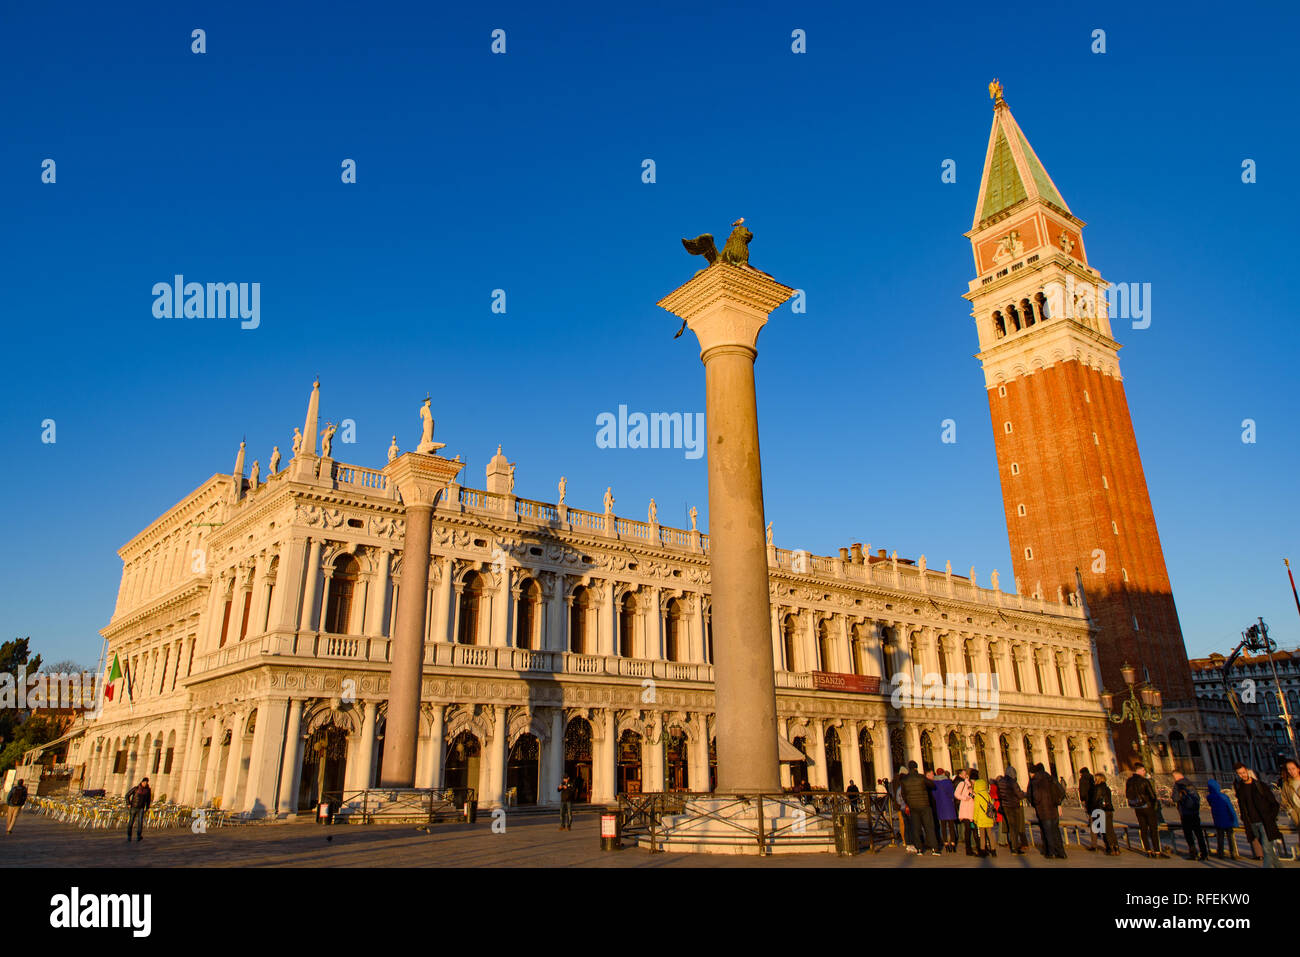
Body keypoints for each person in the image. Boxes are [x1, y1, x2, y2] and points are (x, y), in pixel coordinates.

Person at [1233, 763, 1283, 867]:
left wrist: (1271, 817)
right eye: (1239, 774)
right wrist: (1244, 818)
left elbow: (1274, 804)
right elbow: (1242, 807)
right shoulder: (1240, 788)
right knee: (1268, 850)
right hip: (1252, 823)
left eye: (1243, 772)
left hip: (1265, 822)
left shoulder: (1261, 786)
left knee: (1266, 848)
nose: (1242, 775)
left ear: (1247, 771)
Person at [1125, 763, 1165, 858]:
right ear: (1139, 771)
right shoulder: (1144, 781)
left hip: (1137, 807)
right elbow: (1152, 795)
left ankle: (1148, 850)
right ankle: (1157, 851)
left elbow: (1127, 794)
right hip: (1147, 806)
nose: (1144, 772)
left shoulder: (1129, 781)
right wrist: (1153, 802)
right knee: (1153, 829)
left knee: (1143, 828)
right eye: (1143, 770)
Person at [900, 760, 940, 855]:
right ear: (916, 767)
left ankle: (919, 849)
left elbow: (903, 794)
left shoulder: (904, 780)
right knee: (929, 827)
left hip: (913, 806)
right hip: (925, 805)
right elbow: (932, 785)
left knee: (916, 828)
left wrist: (908, 802)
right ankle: (934, 848)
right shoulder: (921, 777)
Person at [1028, 763, 1066, 858]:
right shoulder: (1051, 778)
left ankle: (1051, 852)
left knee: (1047, 831)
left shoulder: (1036, 781)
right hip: (1054, 809)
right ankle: (1061, 852)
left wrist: (1035, 803)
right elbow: (1062, 791)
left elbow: (1034, 797)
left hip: (1043, 810)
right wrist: (1057, 802)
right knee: (1056, 831)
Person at [1170, 771, 1208, 861]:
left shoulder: (1178, 785)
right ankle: (1204, 853)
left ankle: (1193, 853)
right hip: (1194, 813)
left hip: (1185, 813)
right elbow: (1197, 798)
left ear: (1176, 776)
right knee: (1199, 834)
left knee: (1189, 835)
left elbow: (1175, 798)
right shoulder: (1190, 784)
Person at [995, 765, 1027, 854]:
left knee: (1011, 826)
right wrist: (1025, 794)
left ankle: (1014, 846)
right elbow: (1019, 794)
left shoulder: (1001, 782)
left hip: (1005, 806)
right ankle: (1015, 847)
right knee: (1015, 828)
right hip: (1013, 806)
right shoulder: (1012, 782)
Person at [1205, 778, 1239, 860]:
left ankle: (1220, 853)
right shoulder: (1224, 796)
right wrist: (1235, 820)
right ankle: (1233, 853)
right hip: (1227, 819)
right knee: (1230, 837)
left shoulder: (1209, 797)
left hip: (1218, 820)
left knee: (1220, 837)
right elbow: (1230, 808)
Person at [1091, 772, 1119, 855]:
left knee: (1105, 830)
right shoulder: (1107, 788)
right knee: (1111, 830)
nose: (1094, 780)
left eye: (1095, 779)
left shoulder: (1097, 788)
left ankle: (1110, 848)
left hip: (1100, 810)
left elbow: (1095, 801)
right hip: (1109, 810)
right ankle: (1116, 847)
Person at [933, 768, 958, 852]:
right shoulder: (947, 782)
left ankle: (946, 843)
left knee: (943, 826)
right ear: (943, 773)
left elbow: (934, 795)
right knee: (951, 826)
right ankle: (953, 843)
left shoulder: (934, 783)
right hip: (949, 805)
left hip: (940, 806)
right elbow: (951, 793)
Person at [972, 771, 997, 856]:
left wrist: (974, 818)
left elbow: (976, 809)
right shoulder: (987, 794)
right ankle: (993, 850)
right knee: (990, 834)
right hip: (989, 817)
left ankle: (982, 851)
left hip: (981, 818)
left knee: (982, 835)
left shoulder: (978, 796)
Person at [1281, 758, 1300, 859]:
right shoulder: (1287, 784)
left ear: (1298, 769)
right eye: (1289, 769)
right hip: (1297, 814)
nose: (1291, 771)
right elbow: (1284, 801)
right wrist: (1290, 810)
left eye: (1293, 768)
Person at [954, 768, 976, 855]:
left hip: (972, 809)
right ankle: (968, 849)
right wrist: (965, 798)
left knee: (973, 829)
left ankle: (975, 847)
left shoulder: (970, 784)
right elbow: (956, 794)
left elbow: (971, 794)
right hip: (965, 810)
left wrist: (973, 796)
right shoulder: (962, 783)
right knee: (968, 830)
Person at [125, 776, 152, 842]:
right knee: (131, 821)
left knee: (140, 822)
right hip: (133, 807)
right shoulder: (136, 788)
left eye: (146, 782)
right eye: (144, 782)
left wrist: (147, 807)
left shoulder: (147, 790)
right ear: (142, 782)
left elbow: (148, 799)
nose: (145, 783)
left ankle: (138, 836)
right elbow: (127, 795)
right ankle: (129, 836)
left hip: (141, 808)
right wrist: (128, 804)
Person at [1078, 767, 1097, 850]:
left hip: (1089, 803)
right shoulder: (1092, 778)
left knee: (1092, 822)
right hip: (1096, 803)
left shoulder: (1082, 780)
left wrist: (1082, 799)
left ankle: (1094, 844)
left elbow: (1082, 791)